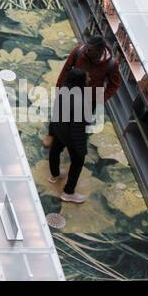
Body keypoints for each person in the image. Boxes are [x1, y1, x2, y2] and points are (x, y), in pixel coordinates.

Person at [47, 67, 93, 203]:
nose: (89, 79)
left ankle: (54, 174)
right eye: (87, 77)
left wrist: (52, 131)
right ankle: (68, 192)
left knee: (55, 150)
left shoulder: (63, 90)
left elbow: (56, 112)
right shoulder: (81, 100)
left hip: (59, 128)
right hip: (71, 134)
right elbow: (78, 127)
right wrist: (80, 149)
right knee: (78, 162)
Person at [56, 35, 122, 103]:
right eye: (86, 47)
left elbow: (114, 84)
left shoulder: (111, 64)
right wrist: (58, 88)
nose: (85, 51)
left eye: (89, 50)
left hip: (90, 100)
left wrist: (103, 98)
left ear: (99, 51)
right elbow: (65, 70)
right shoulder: (79, 52)